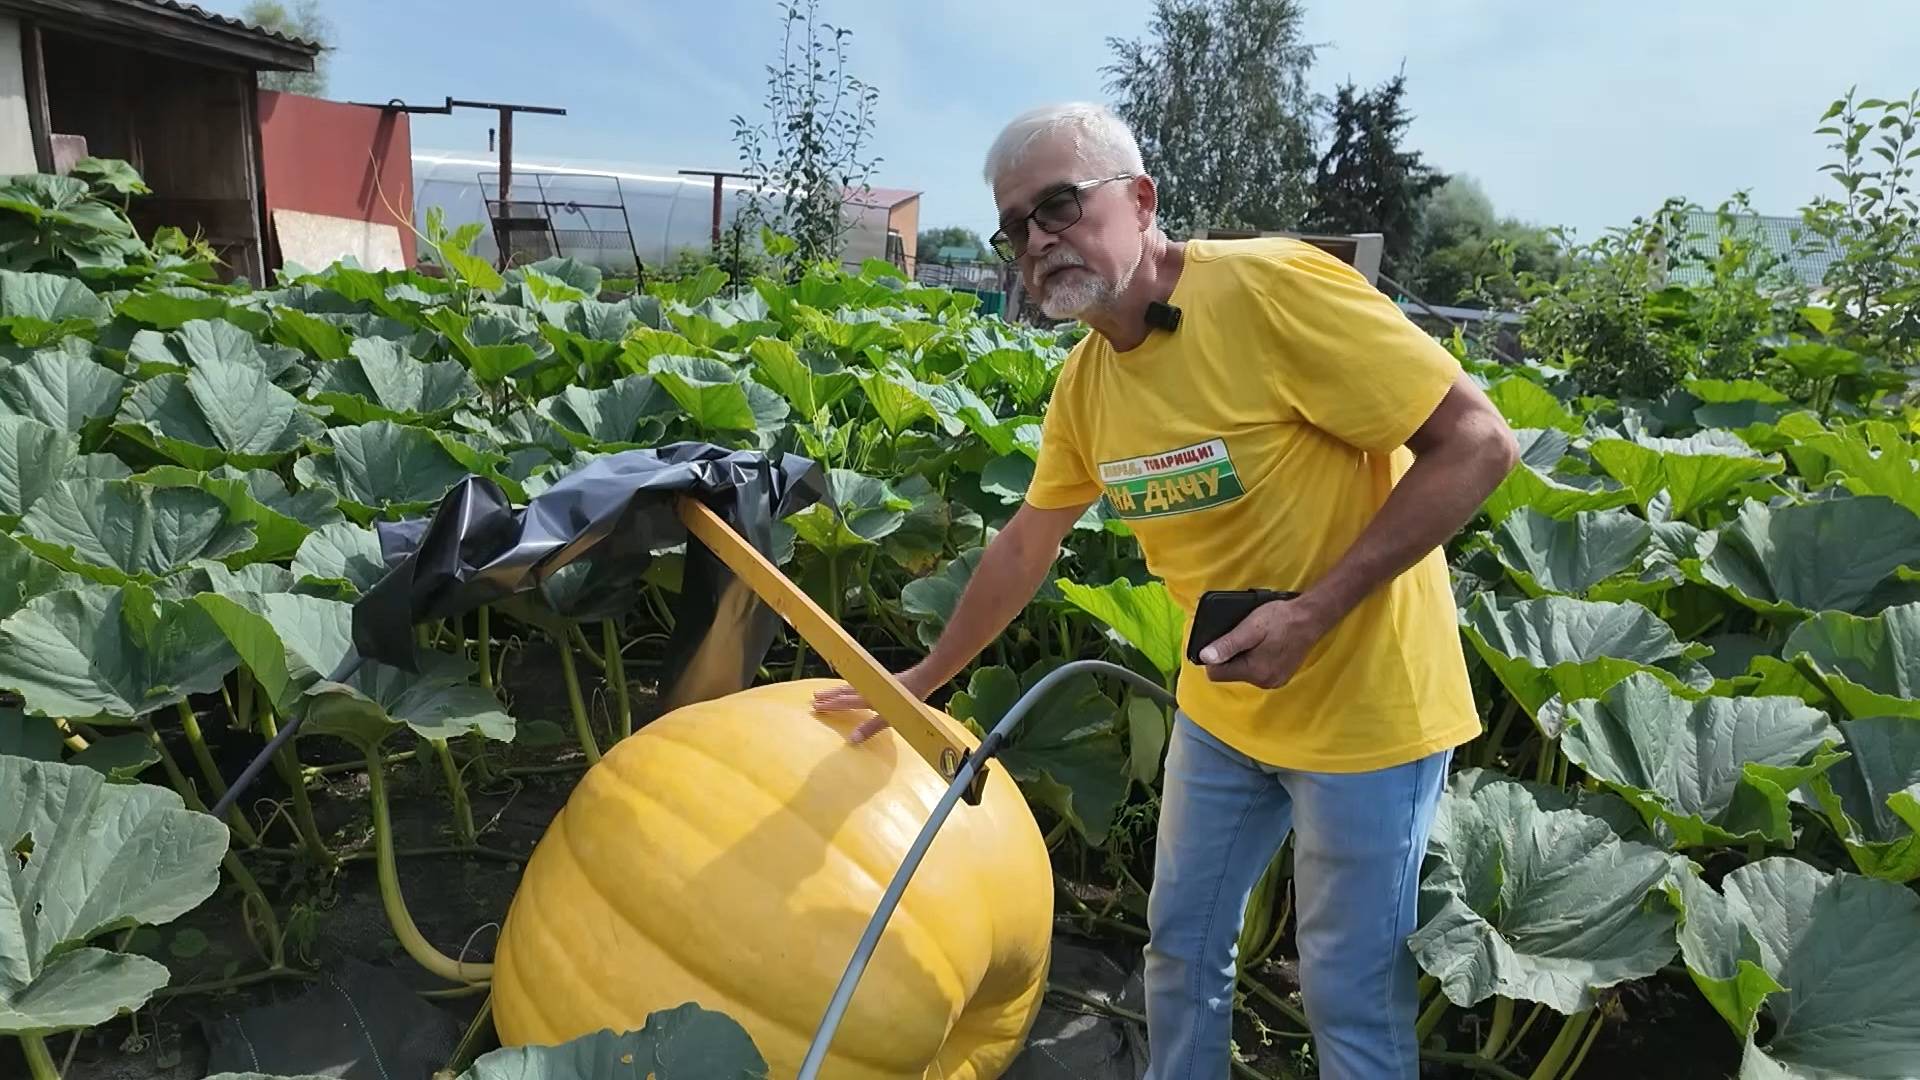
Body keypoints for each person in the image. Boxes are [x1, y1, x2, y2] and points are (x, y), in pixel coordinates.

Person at [813, 101, 1519, 1079]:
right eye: (1014, 225)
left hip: (1368, 714)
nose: (1035, 239)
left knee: (1347, 992)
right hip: (1224, 704)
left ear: (1140, 199)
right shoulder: (1089, 385)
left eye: (1058, 205)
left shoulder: (1272, 292)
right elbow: (1026, 541)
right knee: (1179, 952)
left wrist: (1314, 612)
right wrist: (929, 672)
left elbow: (1479, 443)